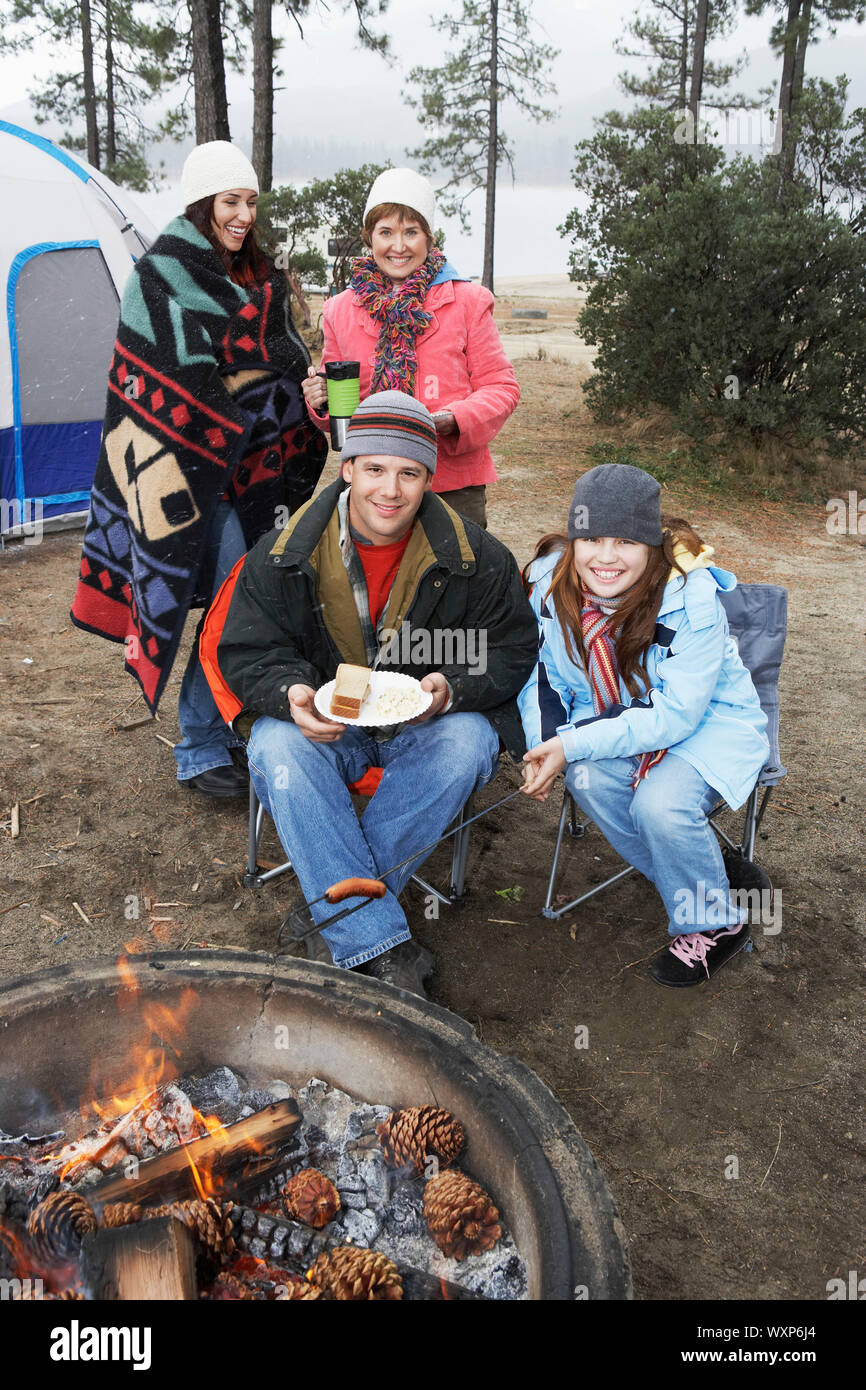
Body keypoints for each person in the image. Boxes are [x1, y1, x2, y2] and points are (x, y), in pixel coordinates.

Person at [216, 390, 538, 995]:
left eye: (409, 473)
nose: (390, 490)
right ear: (348, 470)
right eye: (375, 469)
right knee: (276, 748)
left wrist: (453, 686)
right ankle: (380, 944)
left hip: (421, 724)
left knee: (470, 738)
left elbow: (513, 648)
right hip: (328, 726)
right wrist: (292, 695)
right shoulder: (283, 553)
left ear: (428, 480)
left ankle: (336, 914)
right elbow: (248, 653)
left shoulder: (477, 558)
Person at [71, 140, 327, 796]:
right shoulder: (161, 275)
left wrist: (307, 387)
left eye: (249, 202)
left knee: (242, 606)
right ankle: (201, 746)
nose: (242, 215)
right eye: (230, 201)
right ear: (202, 203)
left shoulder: (264, 279)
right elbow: (149, 377)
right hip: (185, 477)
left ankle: (221, 734)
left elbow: (283, 358)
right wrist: (236, 387)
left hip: (255, 477)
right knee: (234, 604)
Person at [518, 463, 771, 987]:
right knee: (584, 776)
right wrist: (545, 745)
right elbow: (541, 678)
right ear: (573, 538)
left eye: (626, 541)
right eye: (591, 538)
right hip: (611, 716)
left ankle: (717, 922)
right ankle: (708, 878)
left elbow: (676, 711)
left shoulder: (691, 599)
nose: (605, 558)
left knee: (660, 804)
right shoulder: (548, 583)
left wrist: (573, 741)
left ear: (651, 546)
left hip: (704, 722)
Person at [301, 167, 519, 530]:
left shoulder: (468, 302)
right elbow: (341, 413)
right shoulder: (340, 309)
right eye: (386, 232)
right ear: (370, 237)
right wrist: (321, 399)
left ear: (428, 238)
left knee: (455, 583)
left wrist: (453, 420)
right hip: (371, 486)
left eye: (411, 233)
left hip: (451, 486)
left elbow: (502, 388)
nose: (398, 246)